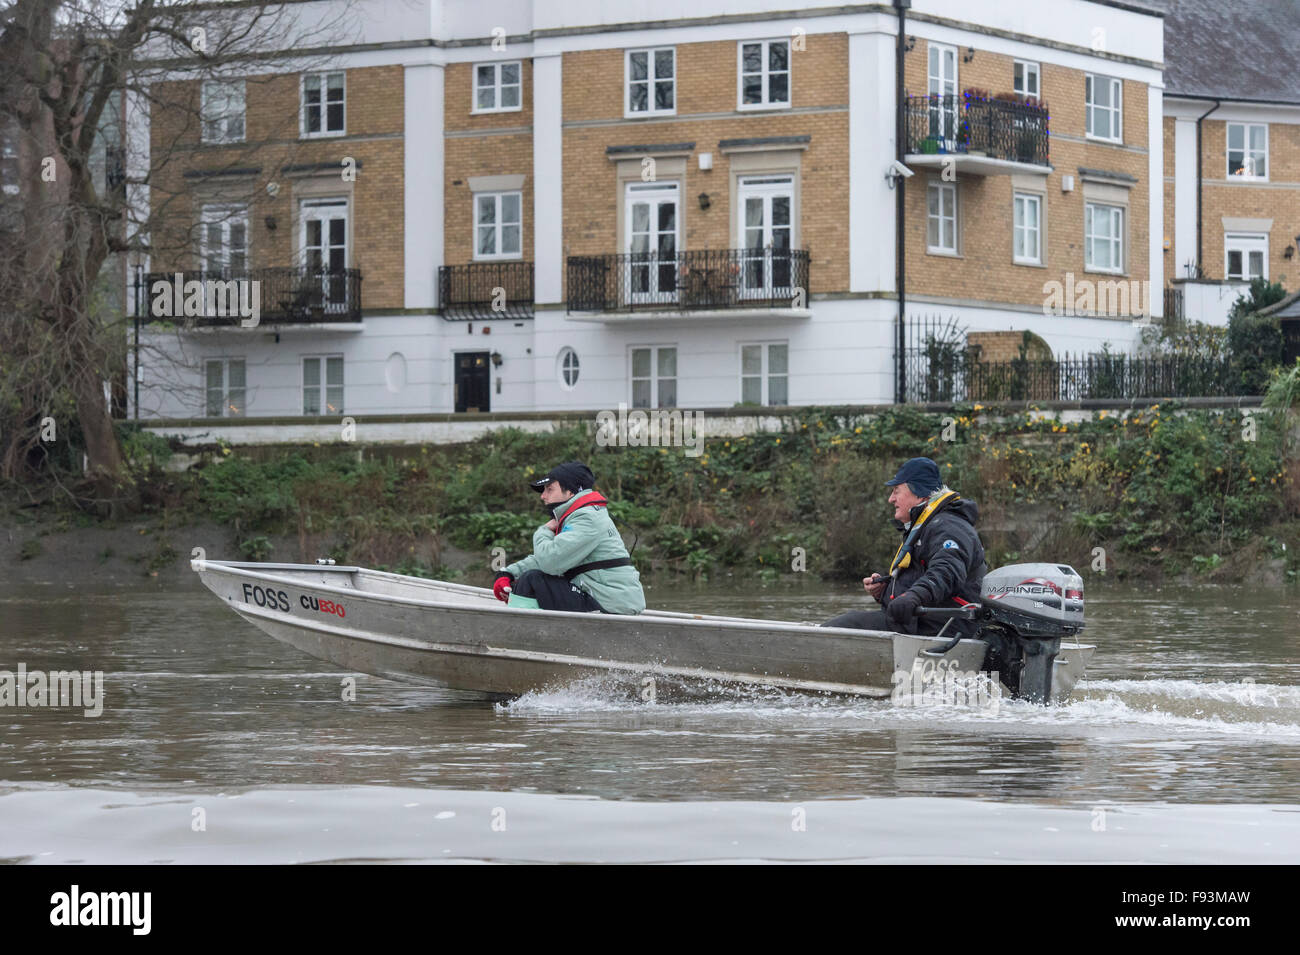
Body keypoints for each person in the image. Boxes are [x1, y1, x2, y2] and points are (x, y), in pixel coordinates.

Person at [823, 457, 986, 636]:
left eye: (896, 491)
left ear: (920, 492)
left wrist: (914, 596)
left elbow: (947, 571)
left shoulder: (947, 526)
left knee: (841, 626)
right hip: (918, 623)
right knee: (845, 623)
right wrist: (885, 591)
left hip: (944, 629)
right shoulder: (926, 526)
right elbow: (920, 578)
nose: (890, 499)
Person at [492, 461, 646, 615]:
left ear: (571, 492)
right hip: (604, 598)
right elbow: (549, 557)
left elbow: (550, 561)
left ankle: (518, 633)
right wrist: (509, 574)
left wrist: (543, 532)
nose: (543, 496)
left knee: (532, 580)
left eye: (549, 489)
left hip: (612, 605)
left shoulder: (587, 518)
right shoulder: (580, 515)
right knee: (529, 579)